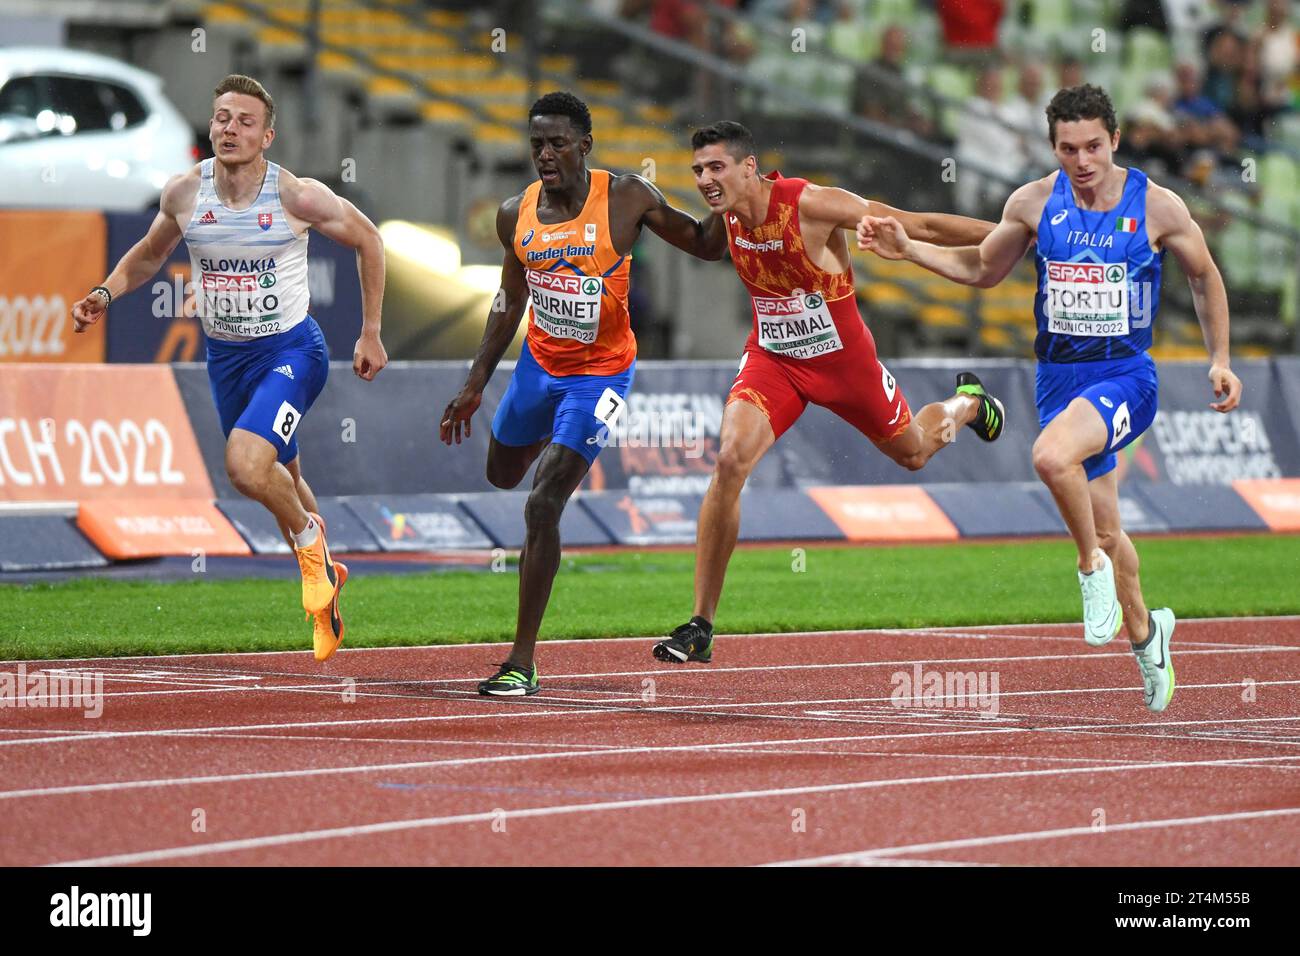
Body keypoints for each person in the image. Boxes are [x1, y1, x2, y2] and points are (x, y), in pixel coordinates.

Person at [857, 84, 1244, 712]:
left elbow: (1204, 276)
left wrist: (1220, 359)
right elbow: (983, 268)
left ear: (1115, 140)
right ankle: (1148, 635)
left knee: (1049, 458)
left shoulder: (1159, 206)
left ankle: (1089, 571)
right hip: (1057, 377)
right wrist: (910, 251)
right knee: (1111, 525)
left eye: (1094, 146)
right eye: (1069, 149)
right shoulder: (1034, 202)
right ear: (1053, 148)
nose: (1083, 160)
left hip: (1126, 377)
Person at [652, 120, 1002, 667]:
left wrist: (1022, 232)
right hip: (774, 360)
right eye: (697, 170)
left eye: (715, 167)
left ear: (750, 167)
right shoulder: (726, 220)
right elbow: (691, 240)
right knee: (728, 461)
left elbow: (921, 225)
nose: (704, 180)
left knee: (913, 451)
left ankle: (970, 403)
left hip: (844, 363)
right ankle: (700, 624)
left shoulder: (811, 203)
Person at [70, 74, 388, 662]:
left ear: (267, 135)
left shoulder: (297, 196)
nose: (229, 129)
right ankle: (327, 595)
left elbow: (369, 240)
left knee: (245, 468)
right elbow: (147, 255)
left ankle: (310, 544)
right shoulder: (186, 194)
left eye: (244, 121)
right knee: (284, 479)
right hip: (228, 360)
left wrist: (369, 332)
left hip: (294, 352)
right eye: (221, 117)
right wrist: (105, 294)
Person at [439, 91, 726, 697]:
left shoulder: (625, 197)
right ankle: (554, 431)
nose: (545, 154)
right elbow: (508, 301)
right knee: (499, 473)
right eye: (537, 143)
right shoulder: (513, 213)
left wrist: (732, 196)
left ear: (584, 146)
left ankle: (521, 661)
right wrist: (474, 384)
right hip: (538, 368)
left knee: (542, 505)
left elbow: (704, 244)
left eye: (558, 143)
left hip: (601, 376)